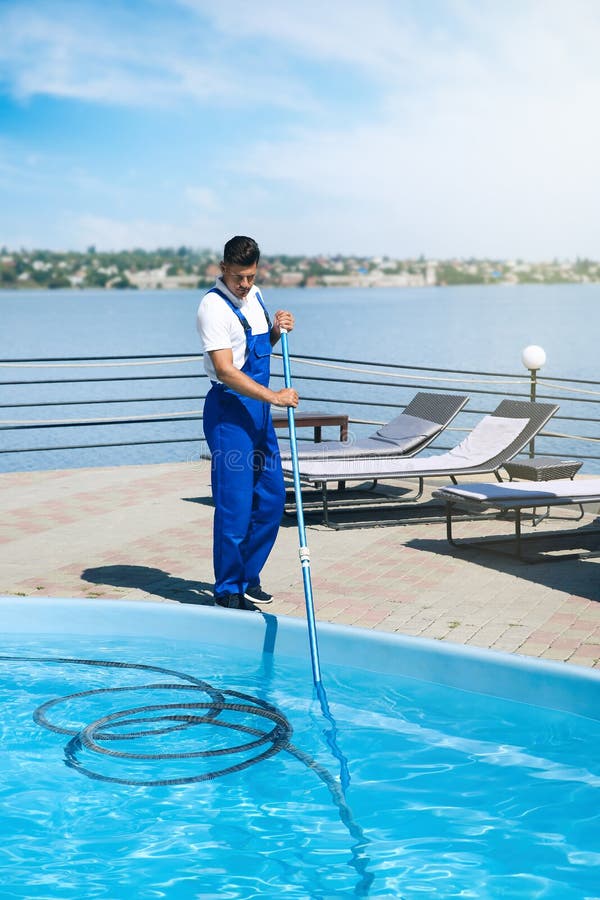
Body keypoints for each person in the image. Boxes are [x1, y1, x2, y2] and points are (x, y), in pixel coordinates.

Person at [196, 235, 298, 610]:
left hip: (257, 413)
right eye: (238, 276)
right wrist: (274, 397)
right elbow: (225, 369)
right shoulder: (212, 308)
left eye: (250, 276)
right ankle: (227, 589)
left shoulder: (255, 296)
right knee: (235, 505)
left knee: (272, 499)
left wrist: (275, 330)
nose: (244, 284)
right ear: (223, 268)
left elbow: (258, 349)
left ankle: (247, 575)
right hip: (229, 413)